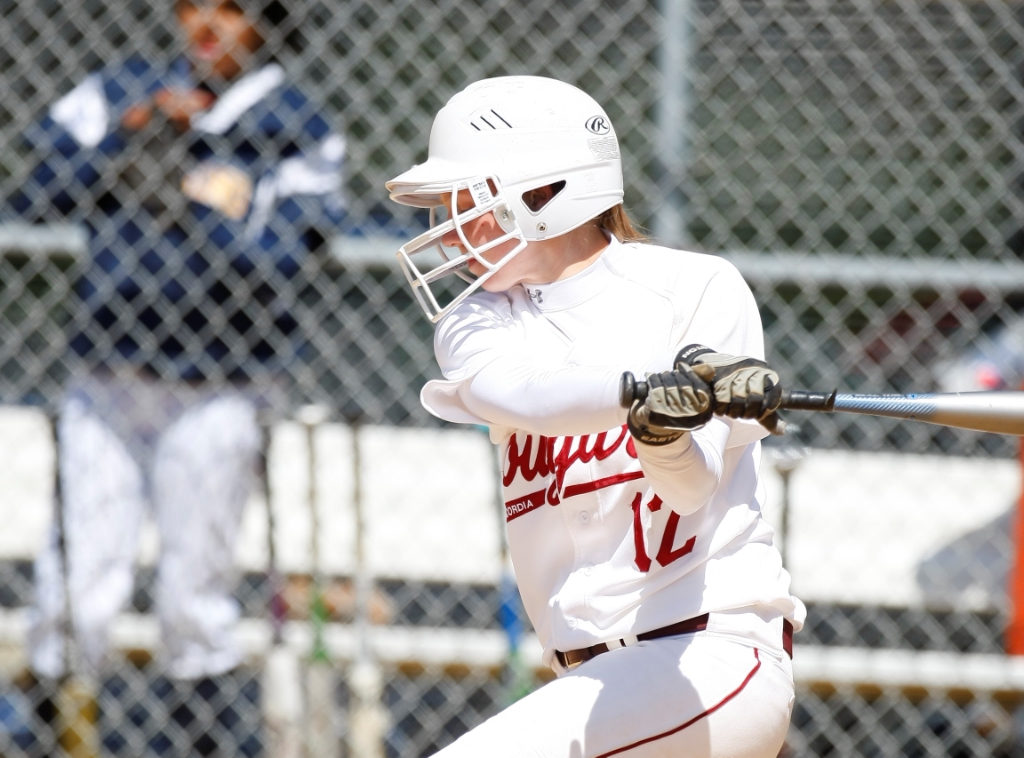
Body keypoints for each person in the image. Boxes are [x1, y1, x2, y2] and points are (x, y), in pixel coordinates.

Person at [386, 75, 804, 758]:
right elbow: (515, 393)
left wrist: (660, 432)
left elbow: (691, 487)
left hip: (706, 658)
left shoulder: (691, 289)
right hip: (582, 680)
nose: (451, 225)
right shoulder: (477, 320)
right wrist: (639, 391)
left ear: (547, 191)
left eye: (471, 200)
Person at [7, 0, 342, 752]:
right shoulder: (128, 91)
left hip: (221, 384)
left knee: (194, 594)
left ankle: (194, 747)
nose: (208, 25)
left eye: (232, 10)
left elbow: (289, 257)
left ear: (267, 22)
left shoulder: (293, 123)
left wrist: (206, 207)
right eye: (196, 6)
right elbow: (31, 187)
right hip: (108, 374)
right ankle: (49, 736)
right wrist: (131, 141)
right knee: (78, 588)